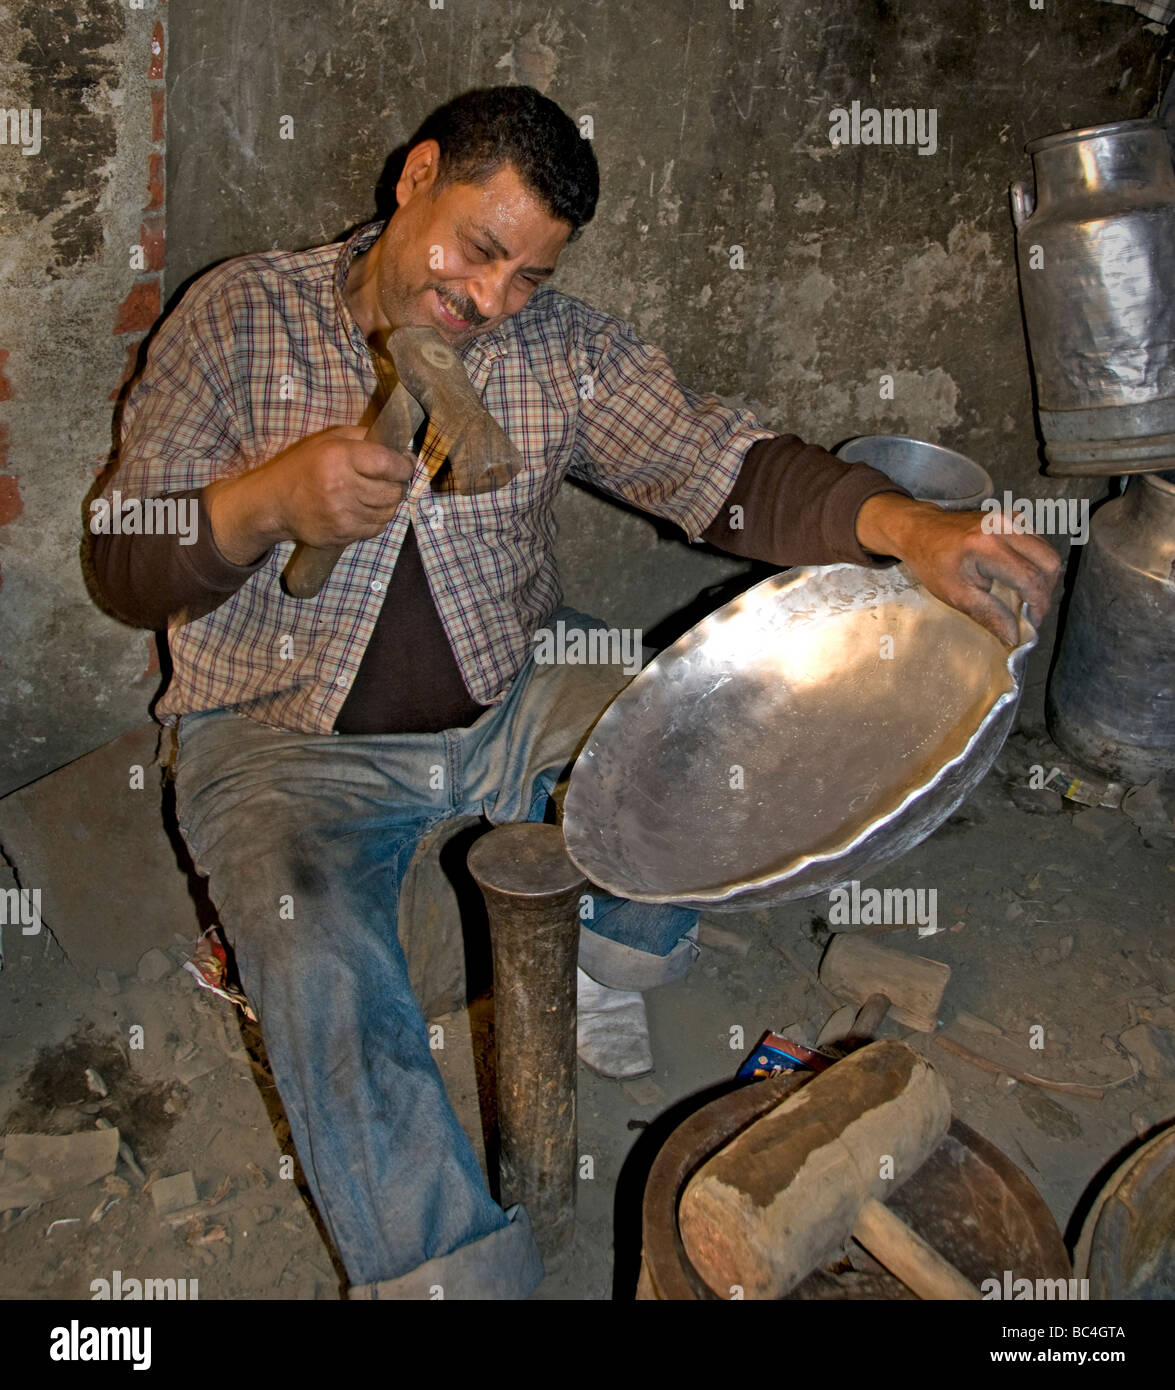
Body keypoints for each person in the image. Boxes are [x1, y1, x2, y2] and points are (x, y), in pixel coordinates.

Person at [90, 85, 1060, 1299]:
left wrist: (902, 523)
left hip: (511, 688)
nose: (492, 301)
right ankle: (456, 1280)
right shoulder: (239, 316)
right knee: (322, 973)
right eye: (479, 249)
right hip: (284, 740)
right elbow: (125, 563)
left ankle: (609, 956)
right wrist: (263, 503)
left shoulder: (559, 350)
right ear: (415, 176)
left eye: (528, 277)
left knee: (693, 730)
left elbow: (721, 468)